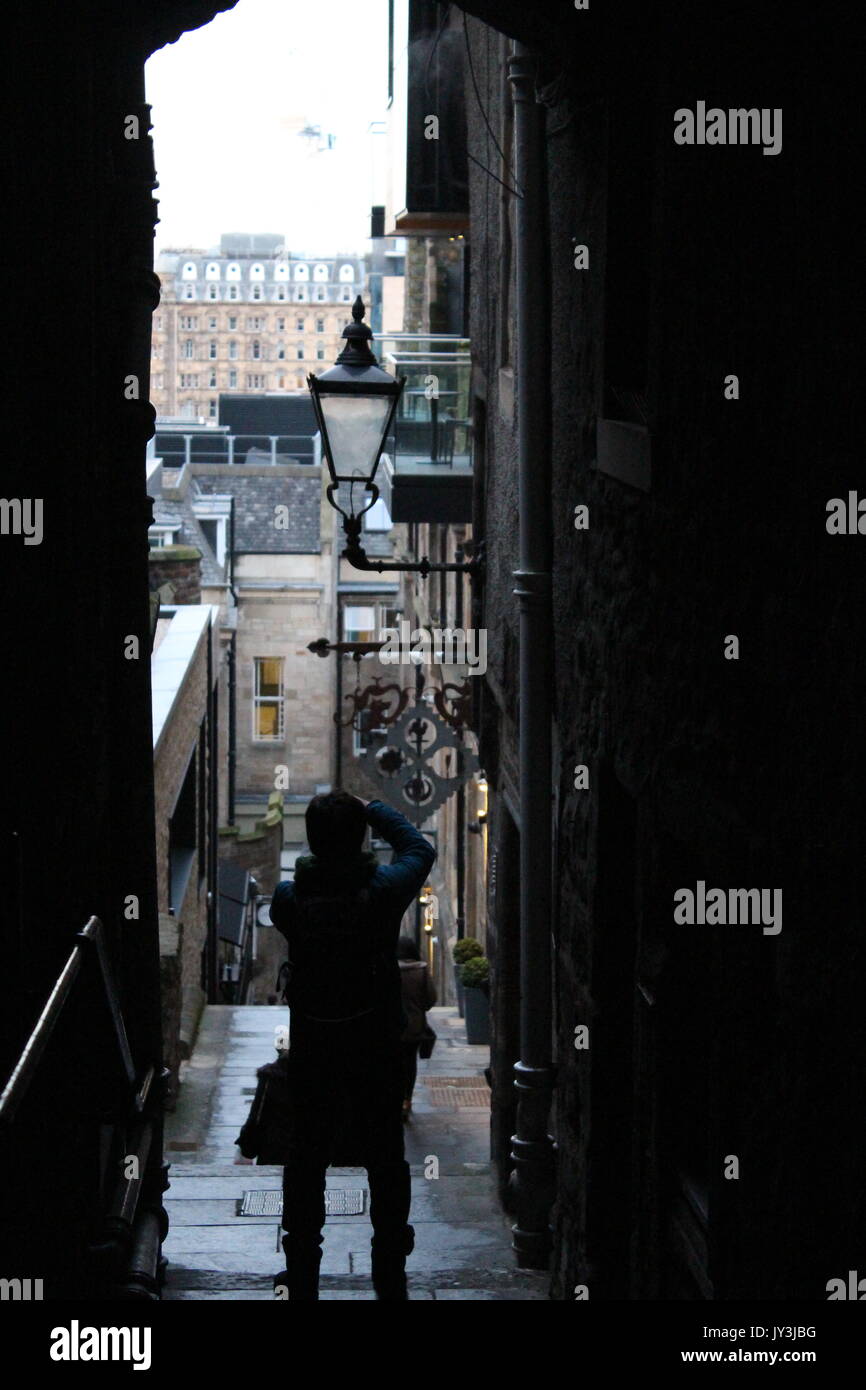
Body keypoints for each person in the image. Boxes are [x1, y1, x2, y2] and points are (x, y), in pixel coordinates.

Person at [269, 791, 435, 1301]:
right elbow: (419, 849)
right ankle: (389, 1257)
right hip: (374, 1041)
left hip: (316, 1041)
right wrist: (375, 807)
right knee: (384, 1152)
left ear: (313, 840)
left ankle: (301, 1260)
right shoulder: (383, 891)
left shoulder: (288, 898)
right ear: (361, 836)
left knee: (307, 1153)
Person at [397, 936, 437, 1119]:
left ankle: (394, 1098)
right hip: (414, 1026)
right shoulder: (421, 971)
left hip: (392, 1025)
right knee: (409, 1062)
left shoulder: (387, 968)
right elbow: (431, 998)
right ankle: (407, 1098)